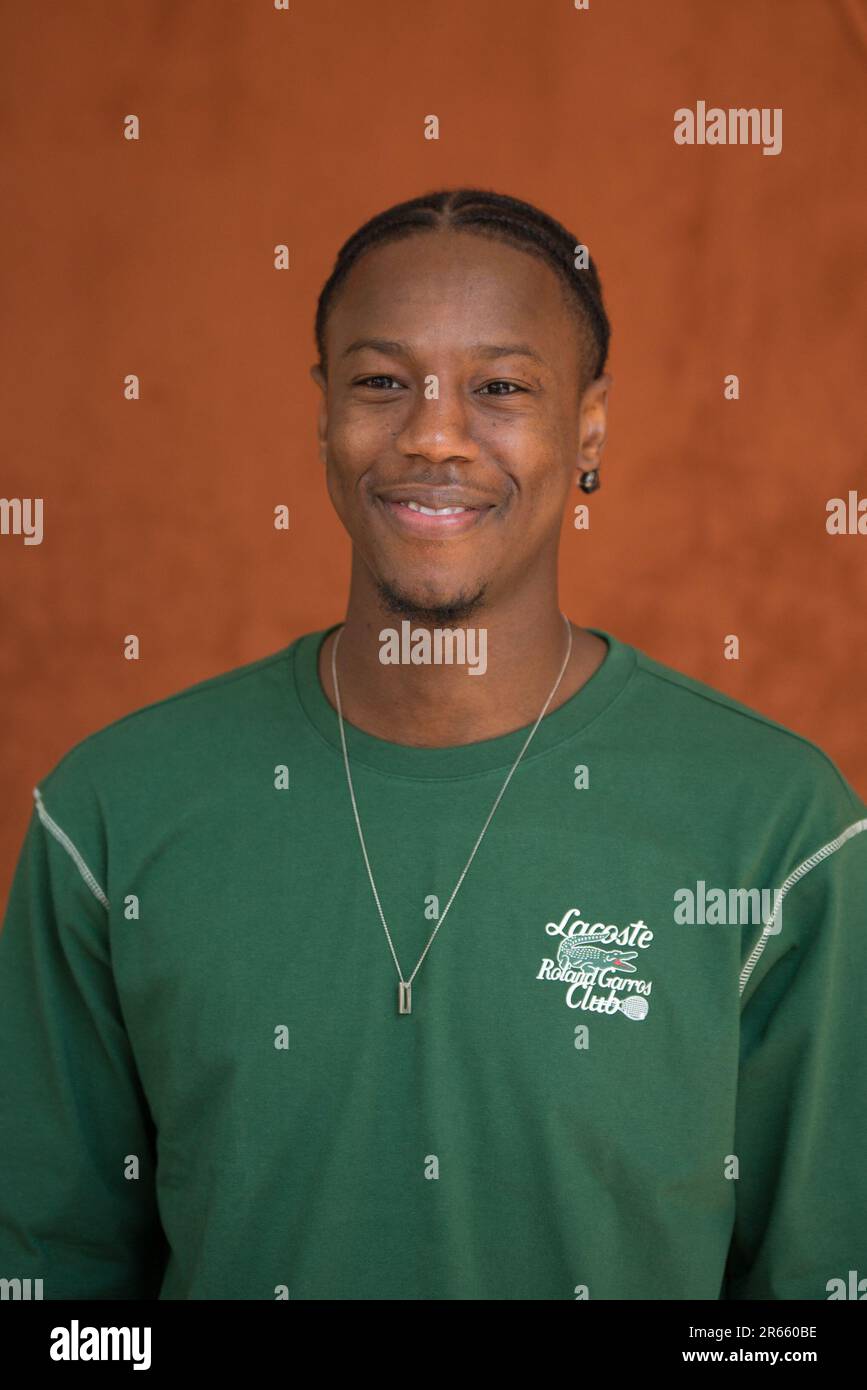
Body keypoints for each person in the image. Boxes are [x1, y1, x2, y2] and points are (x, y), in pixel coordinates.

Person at [1, 188, 865, 1302]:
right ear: (323, 415)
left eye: (500, 387)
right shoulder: (112, 814)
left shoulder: (778, 829)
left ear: (590, 425)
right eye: (380, 382)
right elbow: (48, 1282)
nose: (434, 434)